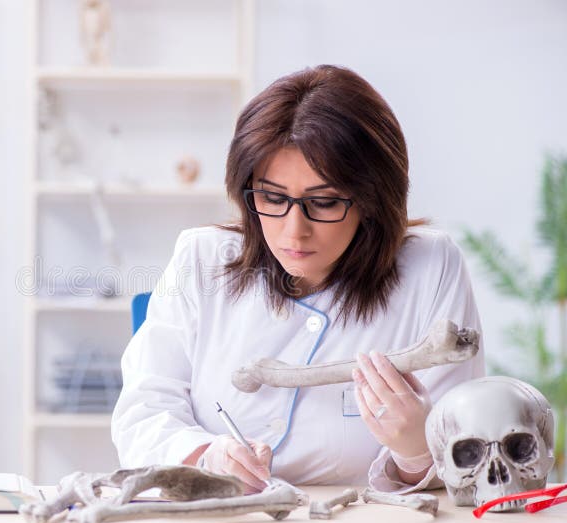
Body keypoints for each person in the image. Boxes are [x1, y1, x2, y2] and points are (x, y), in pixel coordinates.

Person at [111, 65, 485, 494]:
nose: (294, 231)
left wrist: (415, 453)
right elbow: (142, 413)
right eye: (272, 197)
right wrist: (203, 456)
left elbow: (469, 458)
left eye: (324, 203)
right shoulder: (202, 258)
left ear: (372, 200)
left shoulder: (431, 267)